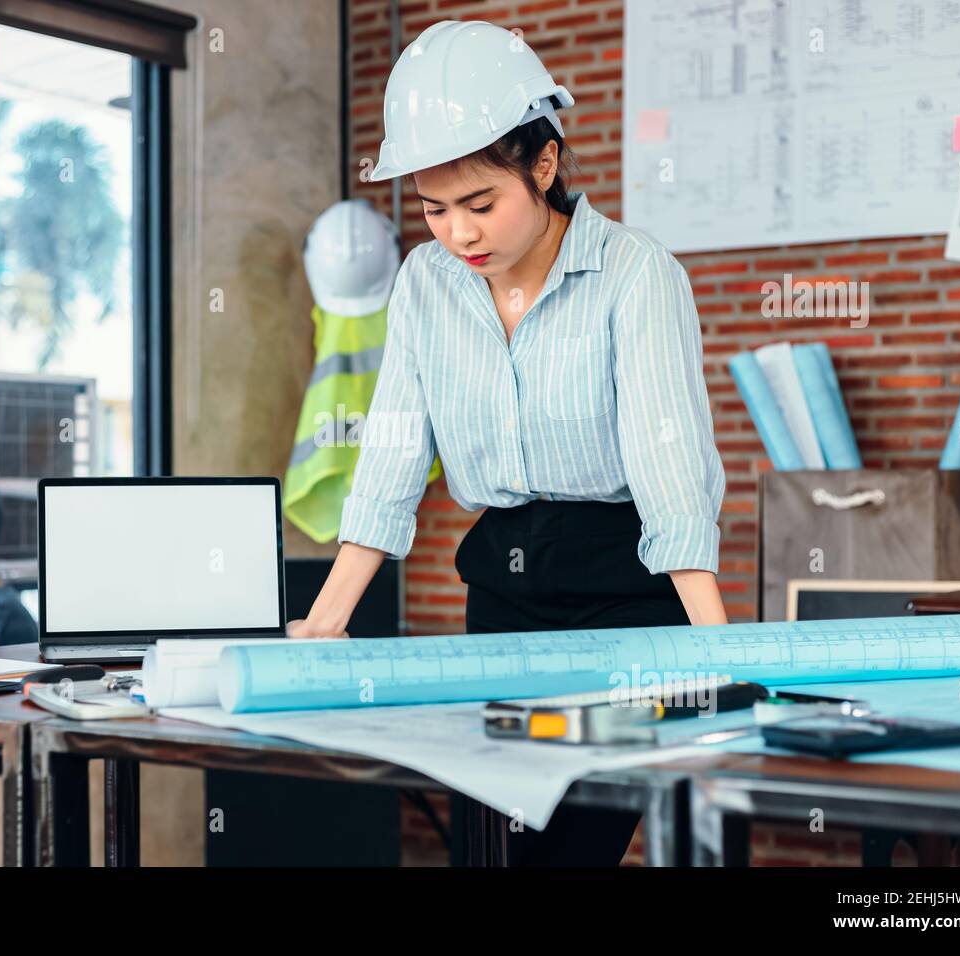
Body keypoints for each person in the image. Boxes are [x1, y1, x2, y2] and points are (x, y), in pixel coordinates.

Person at [286, 19, 727, 865]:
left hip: (631, 600)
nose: (459, 234)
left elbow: (671, 476)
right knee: (492, 850)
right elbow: (392, 455)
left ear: (545, 166)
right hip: (502, 593)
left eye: (482, 204)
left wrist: (714, 657)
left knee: (570, 853)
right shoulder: (423, 284)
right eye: (435, 208)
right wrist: (326, 621)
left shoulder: (636, 275)